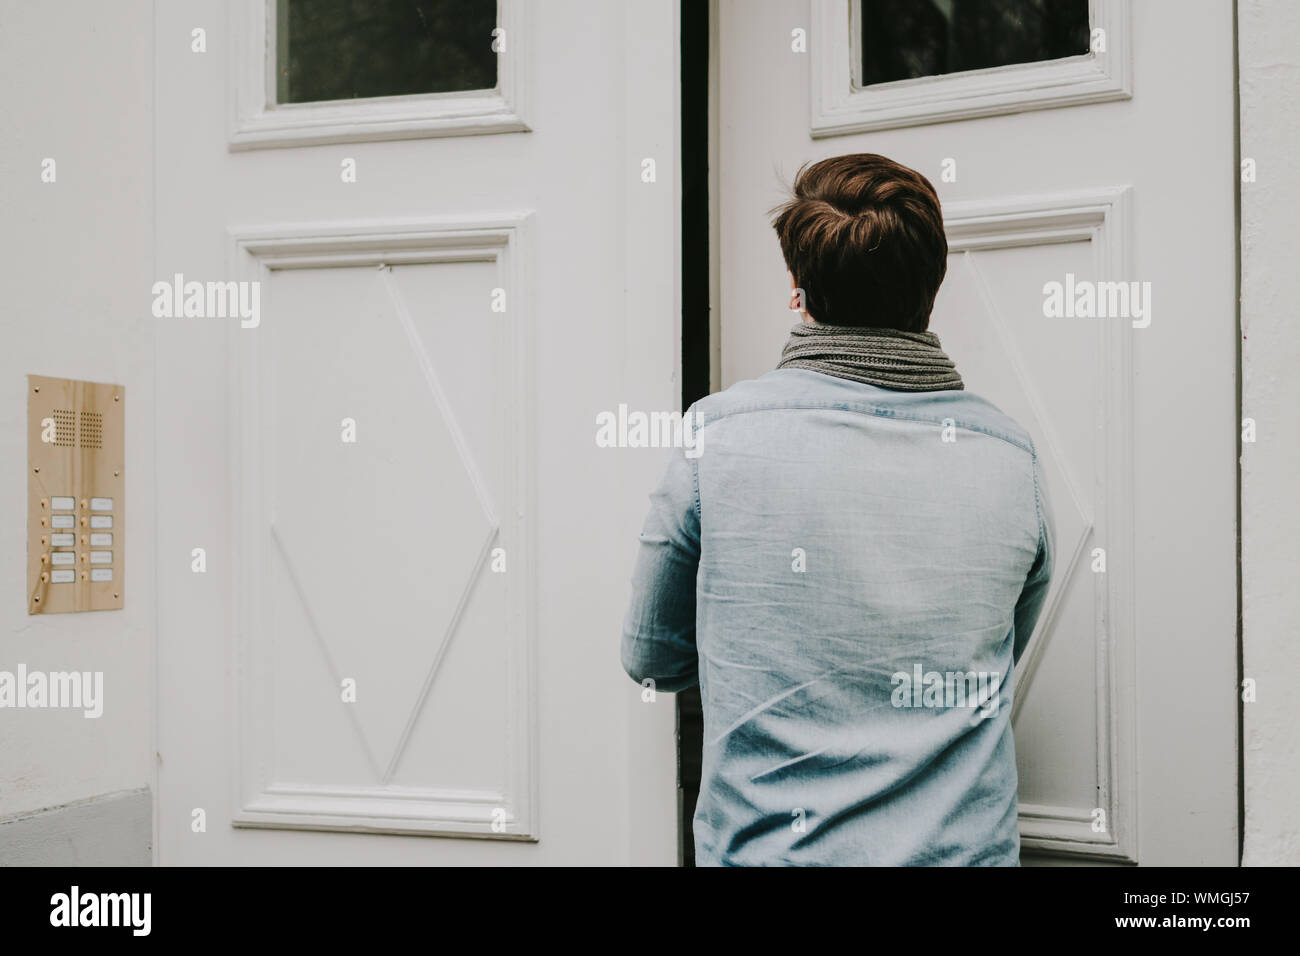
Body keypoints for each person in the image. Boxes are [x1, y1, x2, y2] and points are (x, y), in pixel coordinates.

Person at [620, 153, 1055, 866]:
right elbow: (999, 647)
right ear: (932, 287)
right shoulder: (1012, 457)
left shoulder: (717, 440)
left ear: (799, 288)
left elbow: (651, 659)